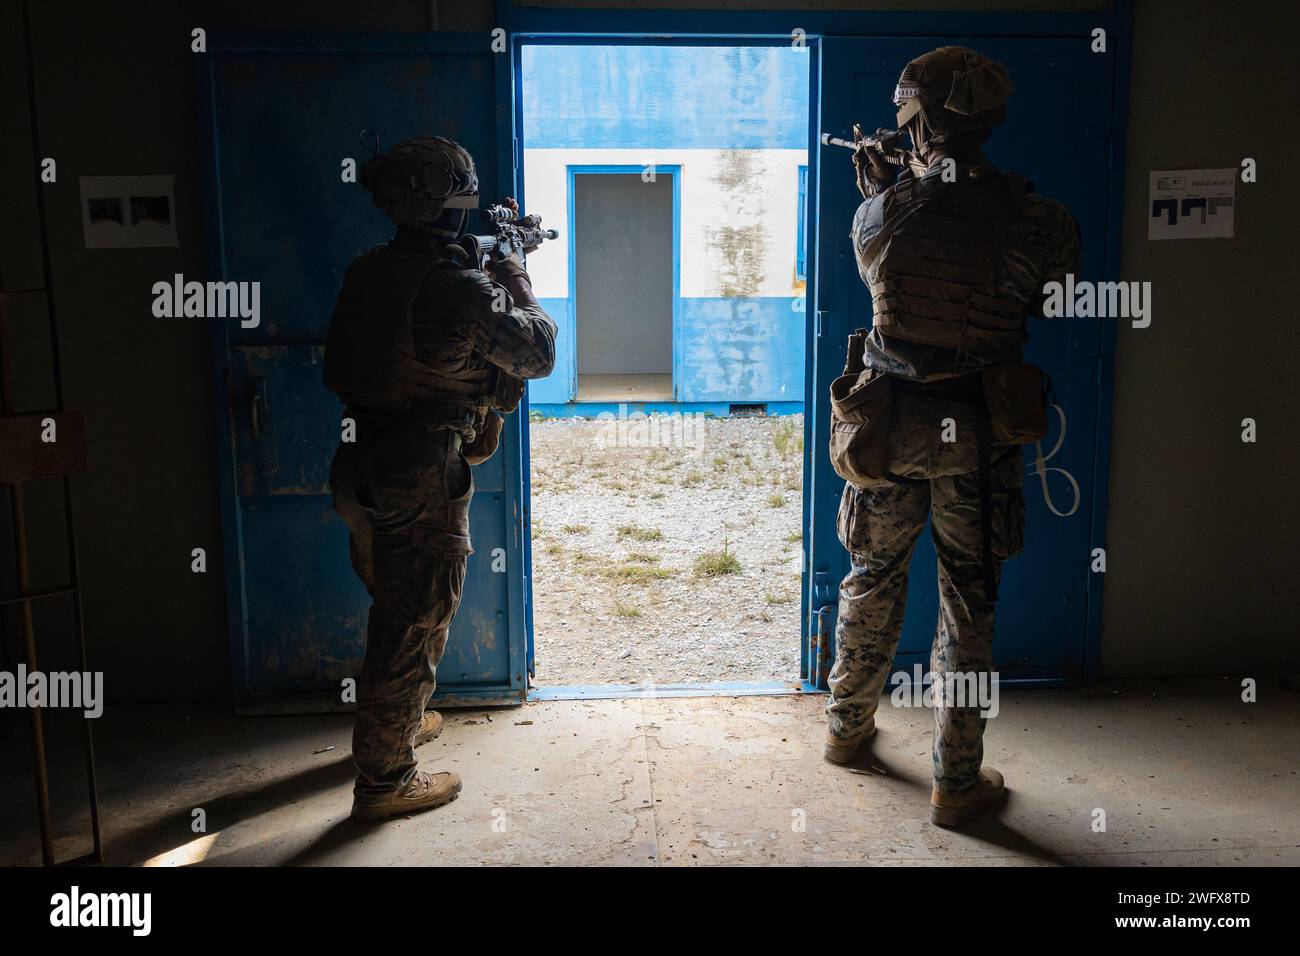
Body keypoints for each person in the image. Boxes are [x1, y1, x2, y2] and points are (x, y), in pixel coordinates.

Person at [825, 48, 1080, 827]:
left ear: (919, 122)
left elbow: (883, 269)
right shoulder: (1041, 219)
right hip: (977, 433)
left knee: (873, 575)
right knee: (969, 601)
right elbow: (1060, 301)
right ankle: (955, 781)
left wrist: (889, 186)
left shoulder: (876, 212)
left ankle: (846, 730)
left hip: (890, 430)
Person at [323, 136, 556, 821]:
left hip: (359, 460)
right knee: (416, 619)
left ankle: (397, 721)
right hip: (418, 469)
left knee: (390, 605)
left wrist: (489, 254)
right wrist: (513, 269)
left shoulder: (370, 269)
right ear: (451, 207)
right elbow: (537, 352)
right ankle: (386, 782)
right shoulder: (458, 286)